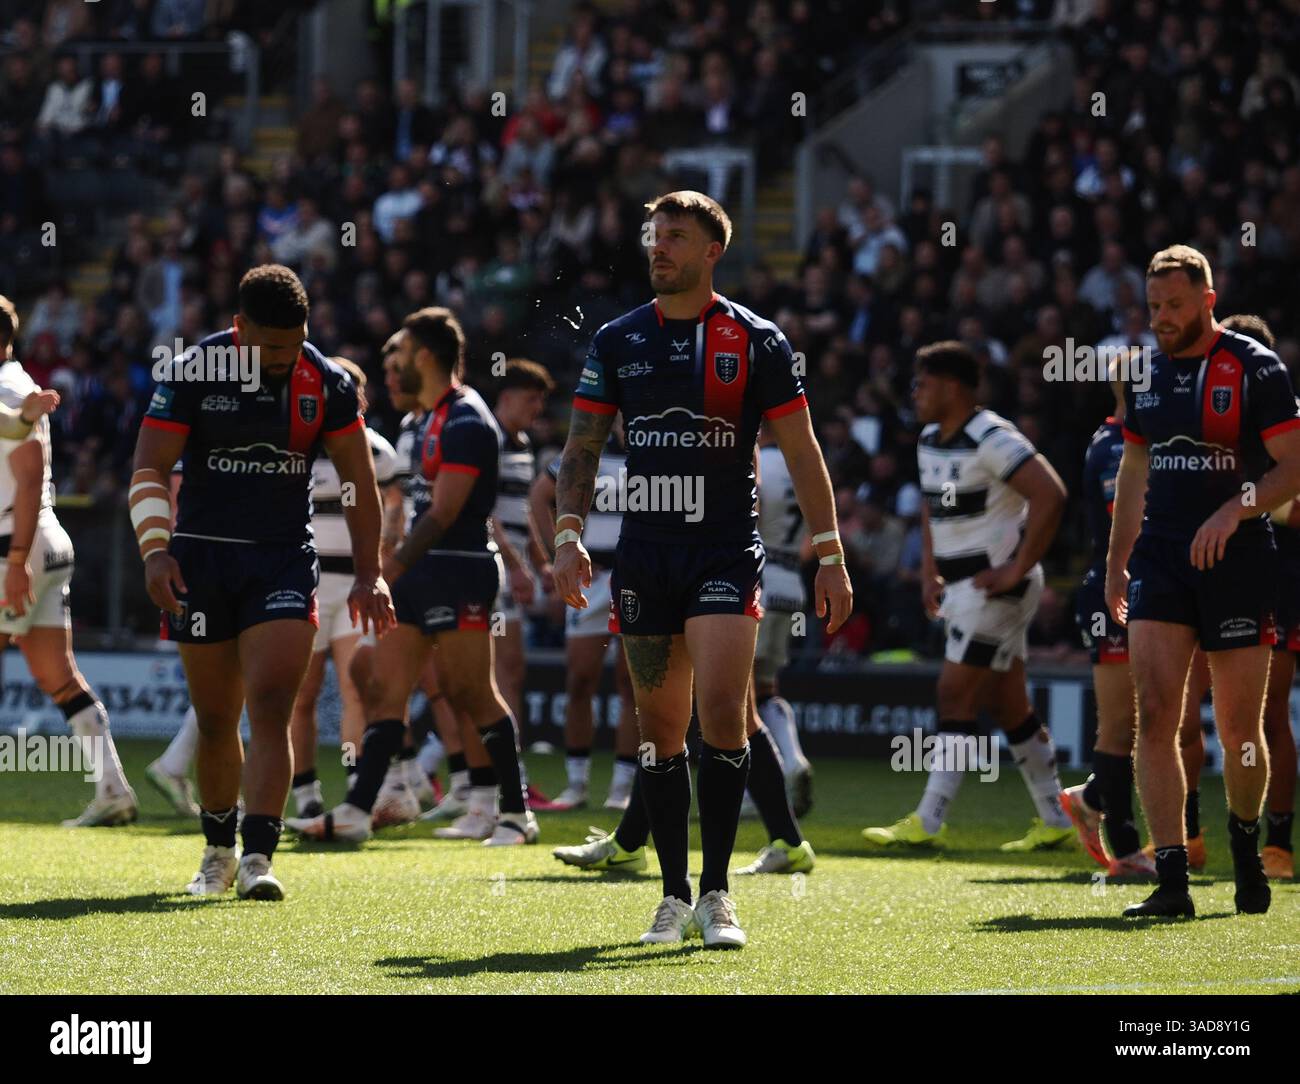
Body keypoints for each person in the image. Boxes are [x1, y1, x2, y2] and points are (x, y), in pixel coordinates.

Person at [551, 190, 851, 947]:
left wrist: (830, 553)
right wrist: (567, 533)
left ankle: (719, 894)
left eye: (675, 239)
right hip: (644, 557)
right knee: (658, 732)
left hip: (724, 550)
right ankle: (673, 895)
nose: (659, 249)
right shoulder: (617, 340)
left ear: (712, 251)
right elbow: (582, 448)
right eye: (654, 237)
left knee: (722, 714)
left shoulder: (756, 341)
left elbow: (803, 450)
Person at [131, 264, 394, 900]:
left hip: (281, 560)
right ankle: (216, 853)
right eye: (273, 345)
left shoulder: (324, 380)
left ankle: (257, 858)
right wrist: (155, 552)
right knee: (216, 718)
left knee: (271, 705)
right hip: (201, 560)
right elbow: (148, 465)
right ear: (238, 328)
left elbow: (359, 481)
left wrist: (370, 572)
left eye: (297, 341)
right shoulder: (192, 371)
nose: (286, 357)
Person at [288, 307, 538, 846]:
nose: (389, 366)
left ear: (425, 356)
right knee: (384, 687)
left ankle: (515, 814)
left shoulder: (469, 420)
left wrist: (384, 569)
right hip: (417, 574)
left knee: (471, 690)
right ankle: (358, 809)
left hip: (459, 571)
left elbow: (445, 513)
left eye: (397, 354)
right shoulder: (415, 423)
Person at [1106, 246, 1300, 918]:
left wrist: (1233, 506)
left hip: (1240, 557)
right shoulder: (1144, 375)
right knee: (1156, 716)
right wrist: (1115, 565)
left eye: (1175, 306)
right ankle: (1172, 879)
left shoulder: (1254, 368)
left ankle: (1247, 845)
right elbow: (1133, 473)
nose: (1162, 318)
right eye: (1154, 306)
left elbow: (1292, 466)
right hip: (1162, 557)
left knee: (1241, 728)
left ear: (1208, 300)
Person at [863, 341, 1074, 853]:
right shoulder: (930, 439)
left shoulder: (992, 437)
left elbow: (1052, 493)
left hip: (995, 591)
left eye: (925, 383)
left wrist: (1017, 567)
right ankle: (1057, 818)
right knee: (1009, 705)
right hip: (962, 588)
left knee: (953, 694)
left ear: (953, 387)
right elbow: (934, 512)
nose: (915, 393)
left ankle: (928, 822)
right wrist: (929, 572)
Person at [0, 295, 136, 827]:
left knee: (56, 672)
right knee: (57, 674)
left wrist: (14, 560)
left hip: (17, 543)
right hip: (44, 539)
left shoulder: (9, 386)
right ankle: (113, 788)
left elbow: (29, 472)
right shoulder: (18, 383)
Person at [287, 357, 404, 821]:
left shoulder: (376, 451)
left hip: (355, 584)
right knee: (303, 693)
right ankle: (306, 795)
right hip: (309, 583)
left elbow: (396, 504)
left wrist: (384, 557)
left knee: (358, 687)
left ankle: (358, 791)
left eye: (352, 391)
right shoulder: (298, 445)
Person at [528, 418, 640, 811]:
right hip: (590, 578)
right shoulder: (589, 448)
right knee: (579, 679)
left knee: (633, 684)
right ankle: (576, 785)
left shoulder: (657, 447)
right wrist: (558, 551)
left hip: (640, 576)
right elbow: (540, 495)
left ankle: (622, 788)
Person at [754, 419, 814, 814]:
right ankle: (793, 759)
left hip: (757, 577)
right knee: (766, 687)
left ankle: (748, 791)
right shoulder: (803, 464)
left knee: (736, 694)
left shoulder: (755, 460)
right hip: (792, 582)